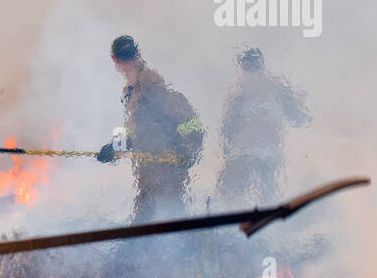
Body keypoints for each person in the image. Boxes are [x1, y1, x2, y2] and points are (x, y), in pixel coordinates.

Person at [96, 35, 203, 222]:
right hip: (148, 172)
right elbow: (135, 130)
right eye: (124, 57)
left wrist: (184, 153)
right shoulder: (132, 91)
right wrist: (115, 147)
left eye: (127, 56)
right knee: (151, 226)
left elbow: (193, 124)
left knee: (169, 222)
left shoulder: (152, 87)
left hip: (167, 172)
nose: (126, 63)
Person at [215, 47, 309, 207]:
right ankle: (232, 216)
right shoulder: (239, 93)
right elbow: (227, 126)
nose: (250, 70)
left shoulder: (274, 88)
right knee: (236, 191)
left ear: (260, 66)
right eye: (246, 66)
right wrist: (227, 149)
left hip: (262, 152)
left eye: (253, 65)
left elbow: (298, 116)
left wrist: (302, 112)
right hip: (247, 152)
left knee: (261, 191)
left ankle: (262, 216)